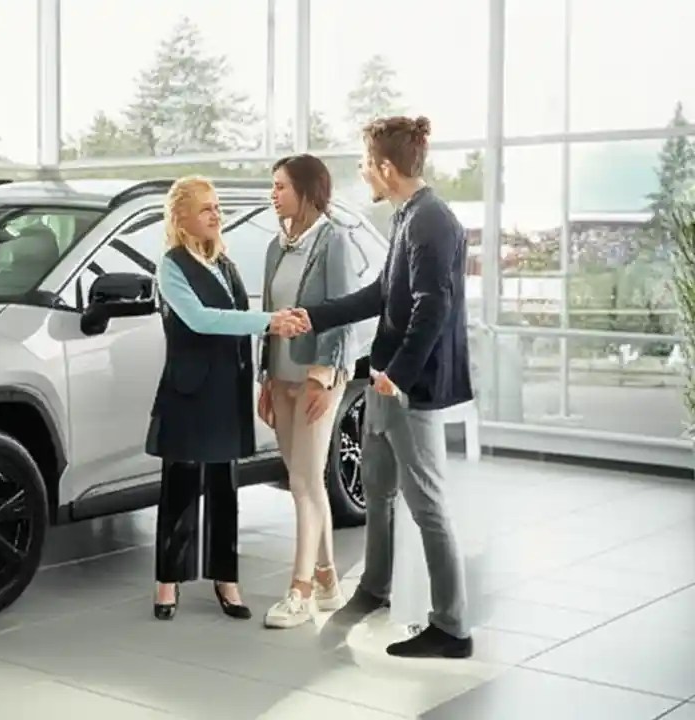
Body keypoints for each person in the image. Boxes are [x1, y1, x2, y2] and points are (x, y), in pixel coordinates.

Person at [288, 116, 475, 658]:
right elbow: (381, 295)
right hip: (385, 377)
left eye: (366, 164)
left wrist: (399, 377)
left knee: (428, 505)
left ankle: (452, 628)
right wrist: (314, 316)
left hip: (405, 388)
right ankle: (375, 587)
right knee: (378, 491)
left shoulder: (432, 222)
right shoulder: (406, 217)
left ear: (387, 168)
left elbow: (432, 307)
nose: (363, 172)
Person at [146, 175, 307, 621]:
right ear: (181, 218)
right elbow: (200, 319)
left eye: (216, 207)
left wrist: (261, 375)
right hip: (190, 390)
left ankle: (226, 580)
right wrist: (269, 321)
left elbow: (235, 319)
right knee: (179, 488)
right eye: (206, 209)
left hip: (226, 389)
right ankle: (168, 581)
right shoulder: (171, 265)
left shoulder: (226, 263)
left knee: (224, 488)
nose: (216, 215)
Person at [256, 155, 365, 629]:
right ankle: (327, 581)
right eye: (273, 185)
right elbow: (269, 316)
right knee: (306, 480)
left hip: (320, 377)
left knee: (301, 481)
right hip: (281, 376)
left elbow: (342, 312)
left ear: (306, 190)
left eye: (280, 186)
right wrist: (265, 377)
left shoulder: (333, 240)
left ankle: (299, 590)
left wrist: (324, 376)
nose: (273, 193)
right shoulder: (275, 247)